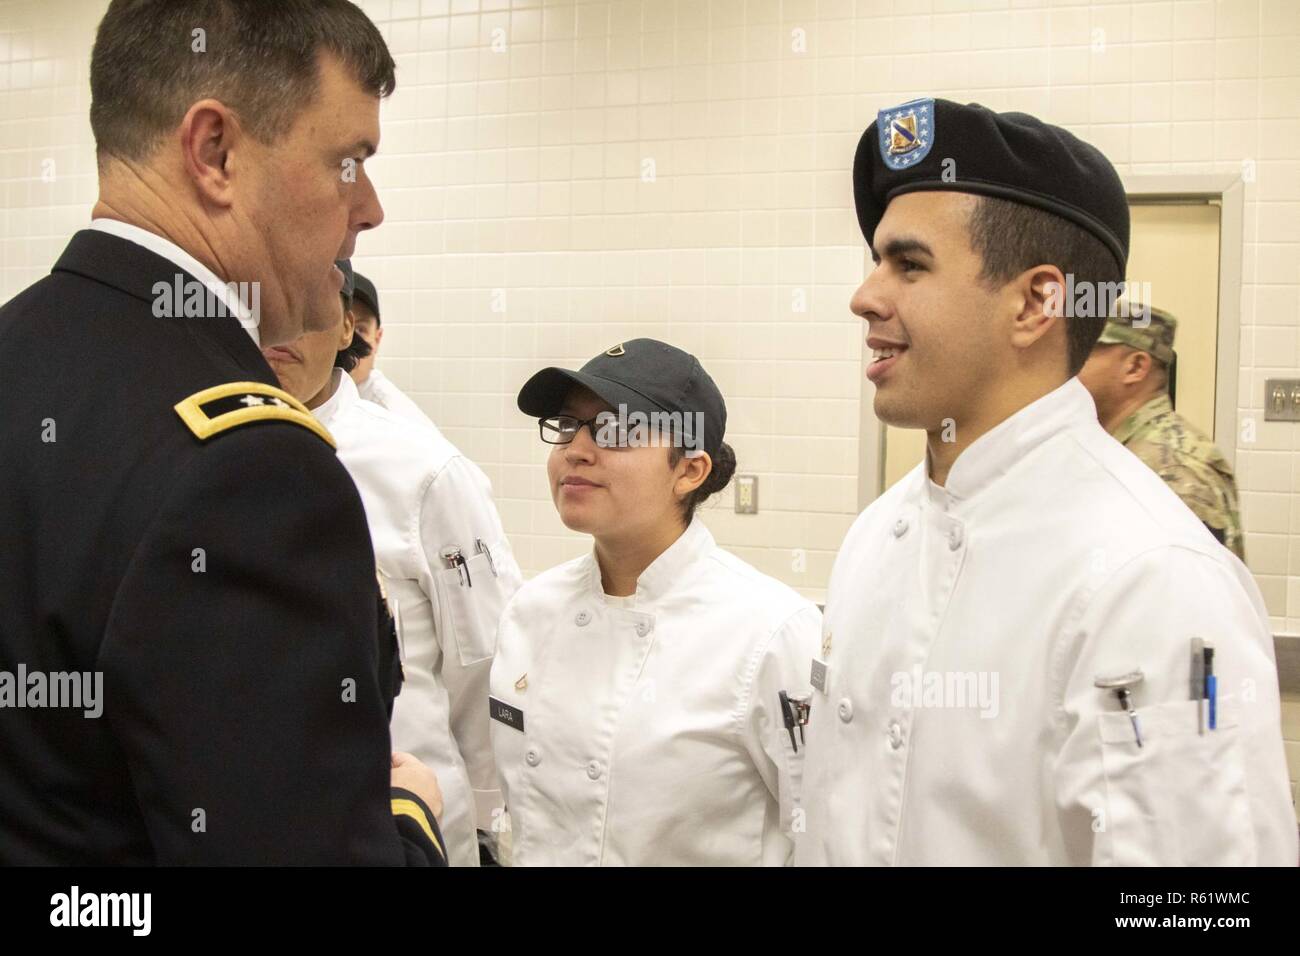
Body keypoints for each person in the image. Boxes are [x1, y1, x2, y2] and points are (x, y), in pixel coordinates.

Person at [796, 97, 1296, 866]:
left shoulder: (1153, 577)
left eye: (909, 264)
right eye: (876, 261)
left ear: (1035, 303)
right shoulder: (875, 537)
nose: (865, 296)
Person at [0, 0, 444, 865]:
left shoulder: (20, 349)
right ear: (215, 153)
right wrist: (409, 816)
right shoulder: (250, 467)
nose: (371, 208)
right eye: (349, 162)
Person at [490, 339, 822, 866]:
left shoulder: (771, 633)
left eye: (615, 429)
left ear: (689, 470)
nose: (576, 449)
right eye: (567, 425)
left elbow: (826, 837)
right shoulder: (531, 611)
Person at [266, 261, 522, 867]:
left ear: (346, 325)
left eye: (304, 302)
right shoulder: (187, 452)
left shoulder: (423, 470)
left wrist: (490, 824)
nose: (279, 328)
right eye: (258, 305)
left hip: (406, 822)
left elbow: (485, 667)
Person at [1079, 306, 1245, 560]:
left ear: (1135, 367)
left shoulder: (1172, 468)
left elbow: (1186, 579)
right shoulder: (1126, 448)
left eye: (1084, 353)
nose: (1068, 367)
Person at [348, 271, 435, 429]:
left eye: (360, 330)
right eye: (342, 327)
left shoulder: (398, 418)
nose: (348, 341)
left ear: (377, 339)